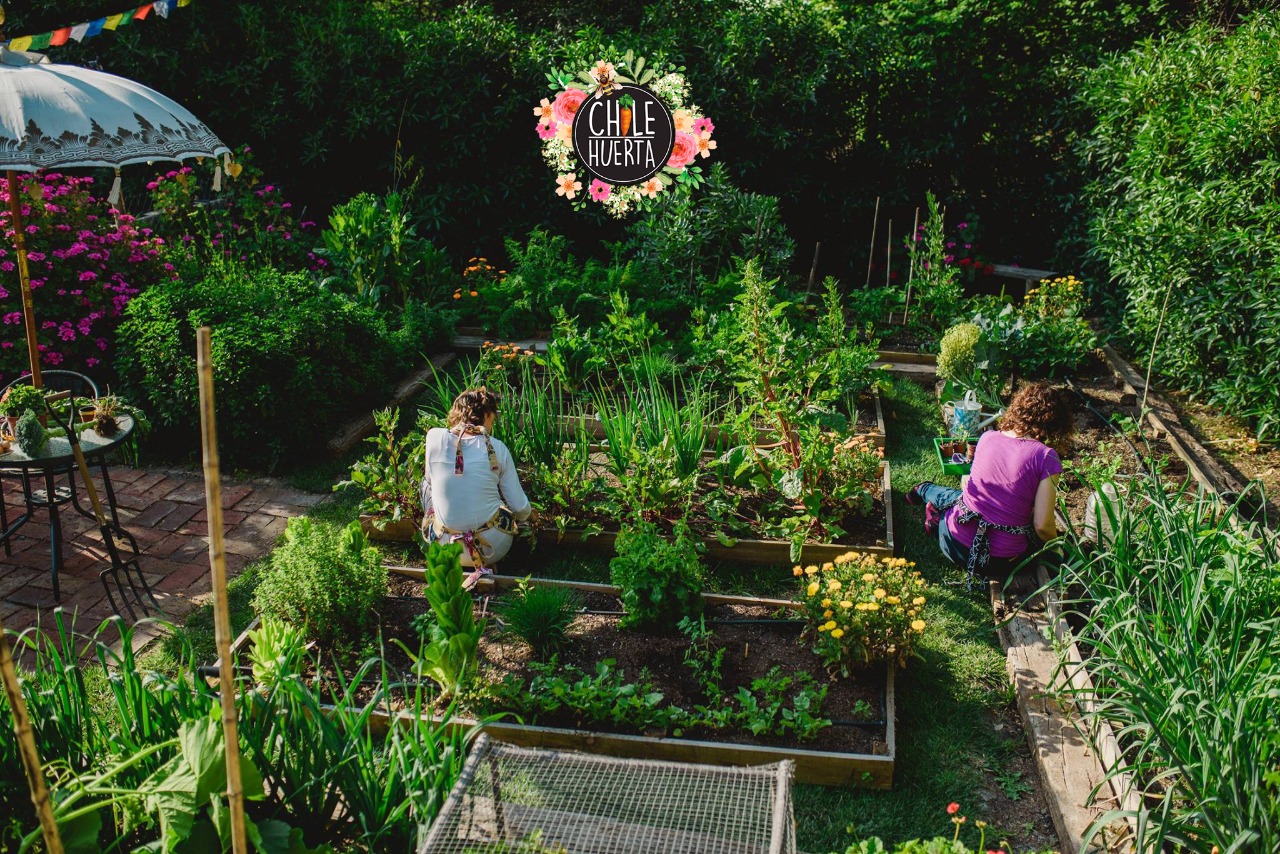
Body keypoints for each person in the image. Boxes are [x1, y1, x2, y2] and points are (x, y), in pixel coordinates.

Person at [907, 383, 1073, 586]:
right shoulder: (1046, 457)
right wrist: (1057, 548)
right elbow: (1042, 526)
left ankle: (926, 496)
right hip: (998, 564)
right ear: (1056, 424)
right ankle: (933, 513)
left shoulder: (987, 437)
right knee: (967, 503)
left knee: (957, 498)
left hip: (952, 542)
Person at [419, 387, 533, 586]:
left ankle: (444, 533)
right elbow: (520, 508)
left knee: (426, 484)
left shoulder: (434, 437)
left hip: (446, 546)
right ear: (487, 415)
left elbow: (431, 478)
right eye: (493, 416)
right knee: (496, 495)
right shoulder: (496, 448)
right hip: (492, 548)